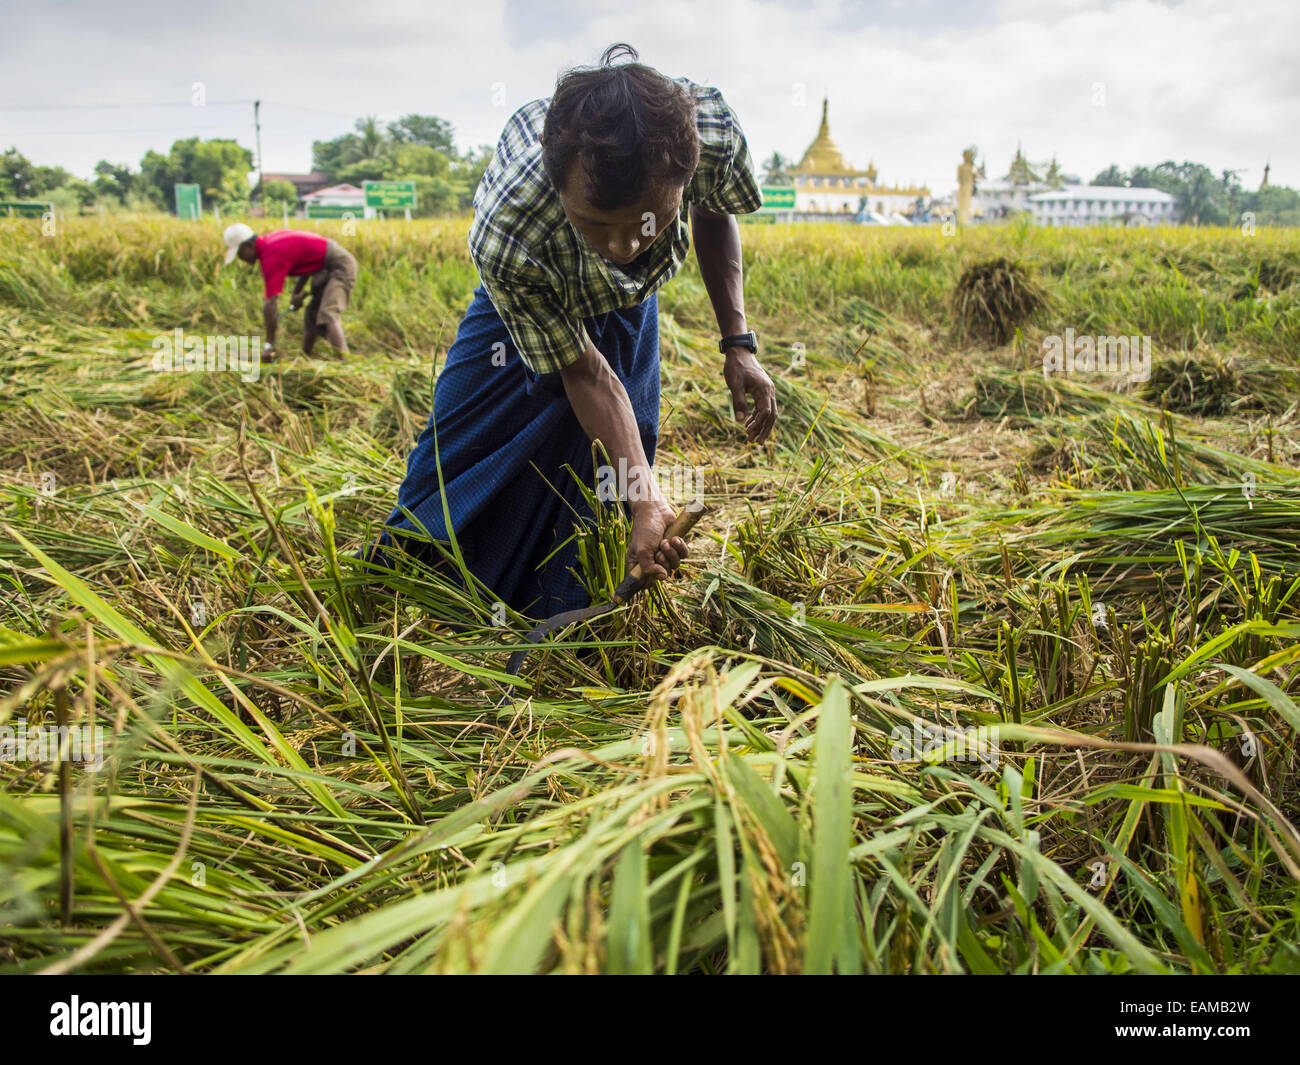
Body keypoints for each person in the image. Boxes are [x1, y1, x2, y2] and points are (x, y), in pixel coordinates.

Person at [370, 43, 778, 620]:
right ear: (556, 179)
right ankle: (413, 577)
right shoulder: (510, 229)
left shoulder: (709, 134)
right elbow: (586, 372)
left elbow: (712, 211)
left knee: (610, 455)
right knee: (464, 441)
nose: (620, 249)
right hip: (532, 287)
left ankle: (565, 597)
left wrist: (738, 344)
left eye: (647, 223)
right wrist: (648, 492)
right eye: (594, 224)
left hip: (631, 303)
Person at [222, 224, 357, 356]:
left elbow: (270, 303)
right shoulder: (270, 244)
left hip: (339, 265)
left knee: (328, 313)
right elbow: (307, 260)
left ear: (248, 246)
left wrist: (269, 345)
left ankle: (345, 361)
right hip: (323, 267)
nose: (241, 259)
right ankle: (305, 358)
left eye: (239, 253)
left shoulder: (271, 255)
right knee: (311, 315)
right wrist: (296, 293)